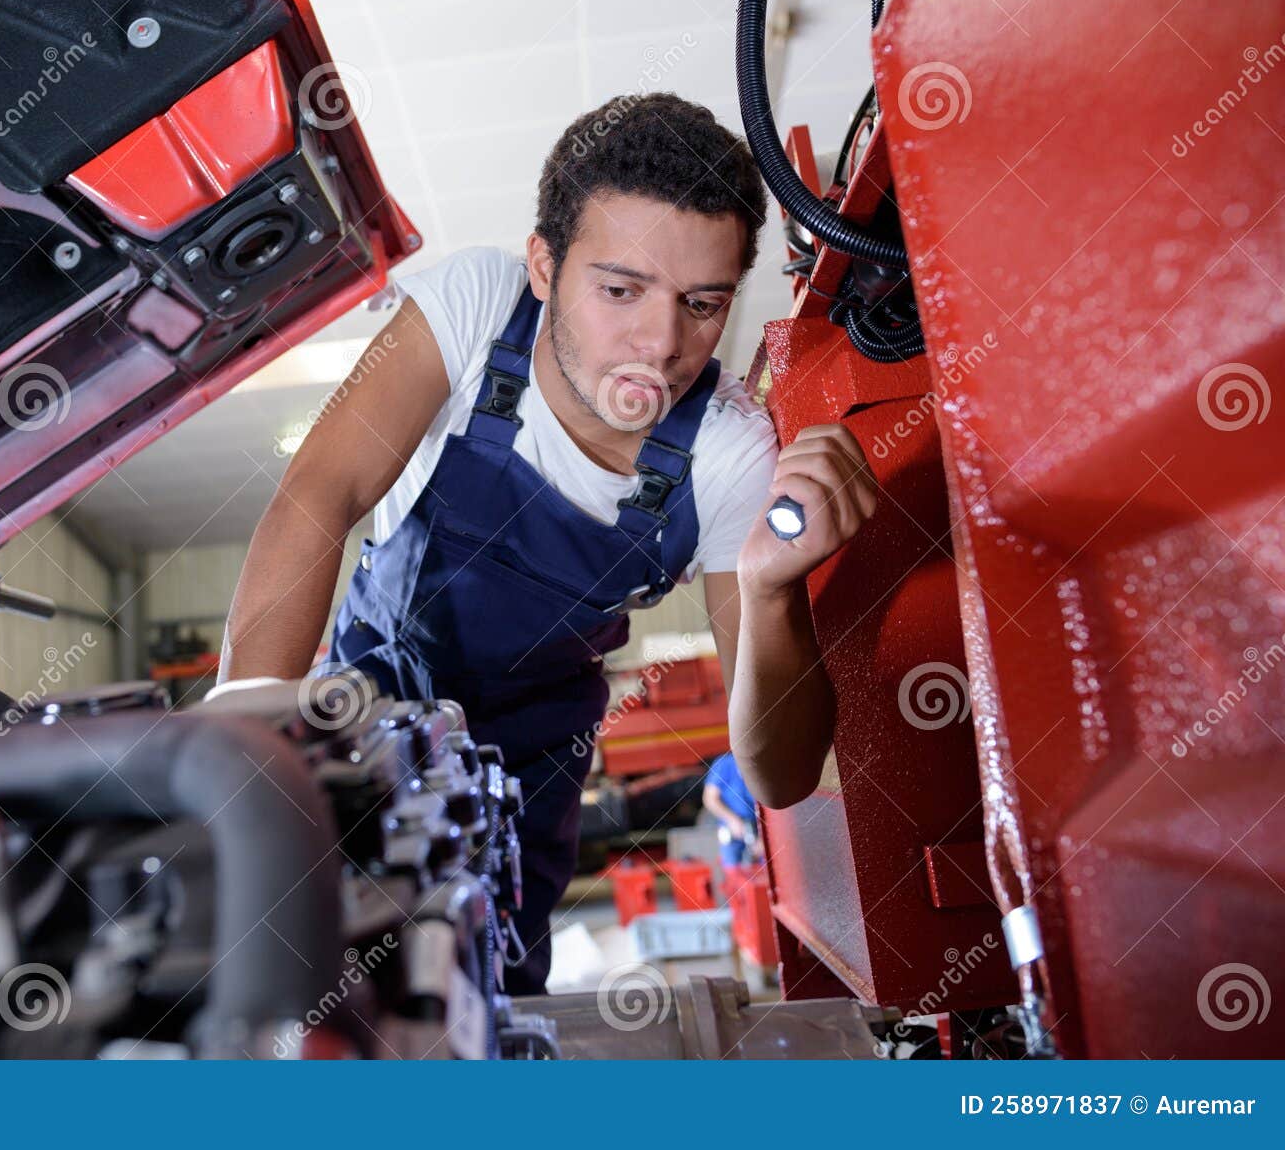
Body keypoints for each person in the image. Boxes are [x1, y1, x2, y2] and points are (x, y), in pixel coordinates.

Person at [220, 93, 878, 993]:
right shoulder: (478, 307)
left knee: (476, 1000)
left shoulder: (727, 455)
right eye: (620, 290)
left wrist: (769, 594)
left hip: (525, 787)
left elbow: (780, 776)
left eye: (701, 303)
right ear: (544, 266)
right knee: (277, 968)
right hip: (358, 718)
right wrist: (249, 735)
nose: (660, 343)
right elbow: (320, 493)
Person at [702, 750, 761, 867]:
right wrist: (732, 820)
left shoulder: (762, 766)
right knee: (734, 870)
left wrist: (763, 841)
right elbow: (710, 799)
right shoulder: (725, 764)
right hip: (733, 833)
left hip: (759, 833)